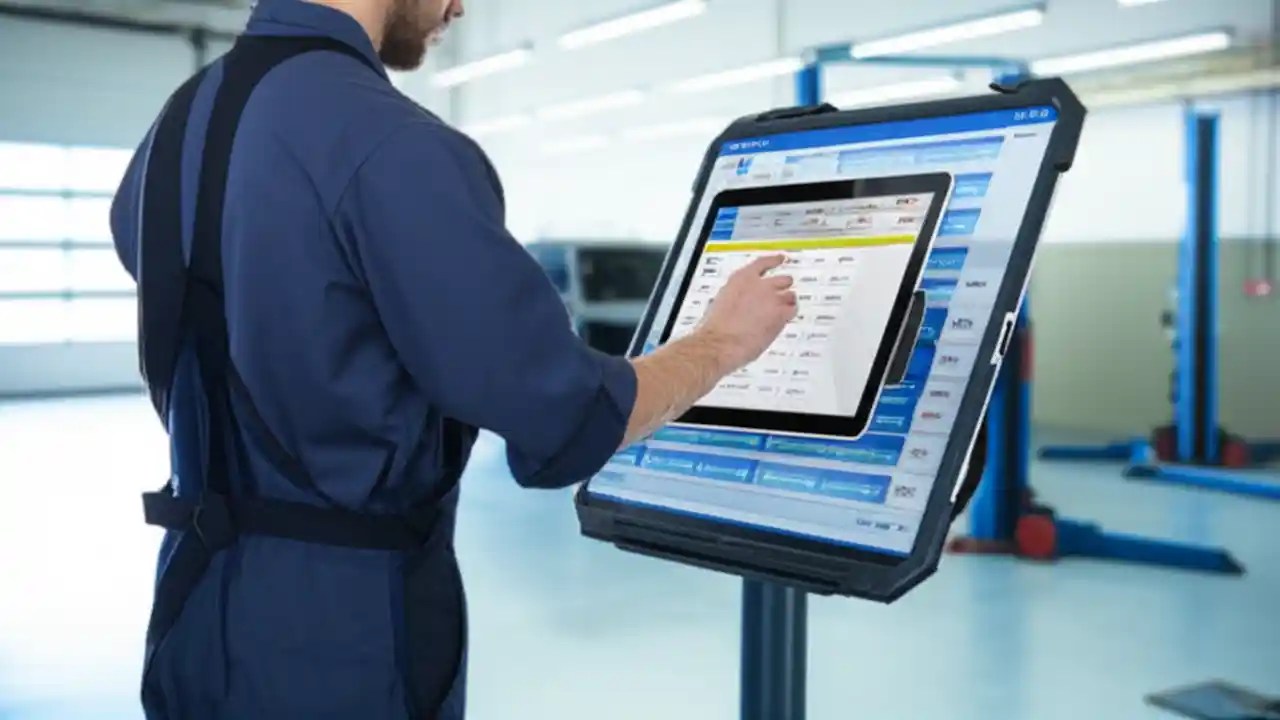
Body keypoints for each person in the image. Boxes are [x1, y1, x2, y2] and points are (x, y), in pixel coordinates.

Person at [109, 0, 796, 717]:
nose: (460, 5)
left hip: (191, 607)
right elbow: (562, 414)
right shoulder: (389, 141)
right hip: (342, 637)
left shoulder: (175, 127)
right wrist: (723, 343)